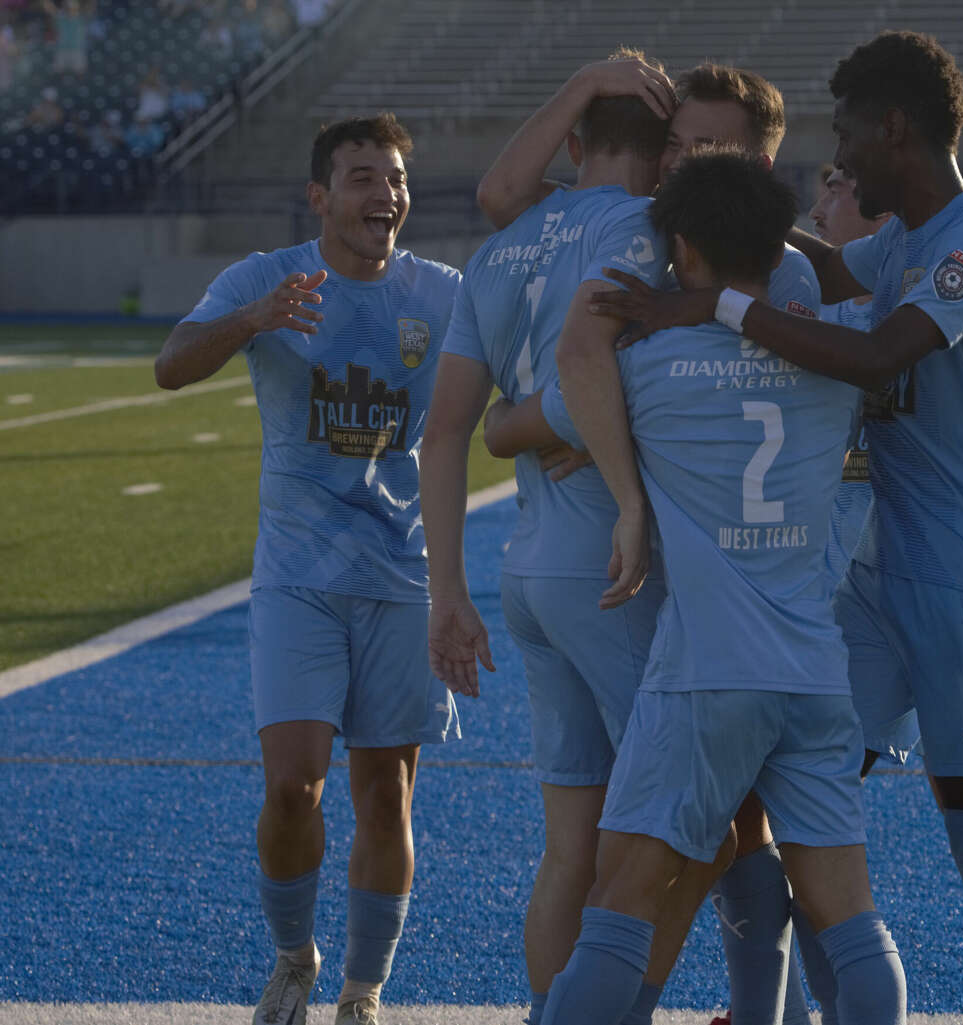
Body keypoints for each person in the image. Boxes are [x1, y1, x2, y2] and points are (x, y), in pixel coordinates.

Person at [591, 31, 963, 1025]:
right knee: (802, 799)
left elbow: (882, 353)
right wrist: (701, 202)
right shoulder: (901, 244)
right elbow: (810, 258)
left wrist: (707, 301)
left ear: (895, 128)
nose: (835, 160)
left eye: (846, 137)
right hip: (878, 576)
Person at [478, 59, 826, 1025]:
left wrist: (559, 429)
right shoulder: (660, 248)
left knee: (702, 832)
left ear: (763, 160)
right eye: (676, 143)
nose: (683, 161)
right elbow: (509, 208)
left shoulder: (775, 274)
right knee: (706, 831)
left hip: (736, 603)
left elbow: (548, 407)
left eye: (707, 147)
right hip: (668, 598)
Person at [538, 147, 906, 1025]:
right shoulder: (829, 367)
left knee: (619, 900)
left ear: (686, 252)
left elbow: (522, 422)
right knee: (851, 921)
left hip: (705, 671)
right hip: (814, 675)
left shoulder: (648, 365)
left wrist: (625, 498)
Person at [422, 51, 740, 1025]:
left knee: (571, 840)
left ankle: (555, 1010)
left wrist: (448, 594)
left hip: (525, 568)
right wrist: (580, 427)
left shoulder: (501, 247)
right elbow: (593, 358)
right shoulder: (645, 227)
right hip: (614, 566)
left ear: (574, 142)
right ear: (662, 154)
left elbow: (444, 433)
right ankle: (610, 1011)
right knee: (695, 826)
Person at [154, 113, 461, 1025]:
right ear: (320, 197)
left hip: (402, 575)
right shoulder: (266, 276)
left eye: (397, 177)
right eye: (364, 177)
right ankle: (294, 956)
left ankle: (363, 991)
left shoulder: (440, 293)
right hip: (296, 573)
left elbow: (519, 377)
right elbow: (172, 365)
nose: (387, 193)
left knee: (386, 790)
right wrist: (252, 320)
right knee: (293, 780)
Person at [808, 164, 891, 585]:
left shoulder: (927, 311)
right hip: (822, 565)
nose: (815, 212)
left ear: (884, 212)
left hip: (912, 567)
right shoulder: (806, 310)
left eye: (834, 193)